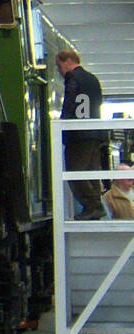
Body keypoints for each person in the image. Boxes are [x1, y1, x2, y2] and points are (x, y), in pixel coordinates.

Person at [56, 48, 105, 220]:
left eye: (59, 66)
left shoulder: (73, 78)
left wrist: (63, 123)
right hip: (94, 133)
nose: (59, 71)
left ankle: (92, 205)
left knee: (74, 172)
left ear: (68, 61)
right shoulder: (92, 79)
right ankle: (96, 205)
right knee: (92, 172)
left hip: (78, 135)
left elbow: (70, 102)